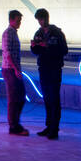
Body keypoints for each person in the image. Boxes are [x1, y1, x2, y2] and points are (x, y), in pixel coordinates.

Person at [30, 8, 68, 139]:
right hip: (43, 68)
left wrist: (49, 47)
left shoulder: (57, 33)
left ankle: (54, 129)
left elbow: (64, 50)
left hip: (54, 69)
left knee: (54, 98)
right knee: (46, 98)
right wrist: (34, 46)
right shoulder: (38, 33)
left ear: (47, 18)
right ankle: (48, 126)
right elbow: (35, 52)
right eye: (39, 20)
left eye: (42, 19)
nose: (41, 22)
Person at [0, 10, 28, 135]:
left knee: (21, 96)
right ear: (11, 20)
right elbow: (8, 53)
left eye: (20, 21)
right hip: (10, 70)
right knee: (14, 98)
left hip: (13, 69)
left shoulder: (13, 33)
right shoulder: (8, 33)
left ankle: (15, 123)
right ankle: (13, 126)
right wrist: (16, 69)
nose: (19, 23)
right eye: (18, 20)